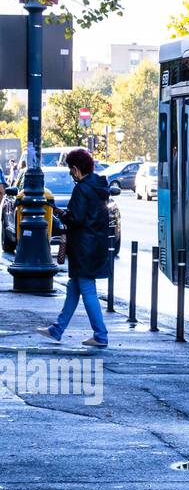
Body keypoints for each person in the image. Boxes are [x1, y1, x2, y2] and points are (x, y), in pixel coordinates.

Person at [36, 147, 112, 348]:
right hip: (95, 245)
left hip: (83, 248)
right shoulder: (98, 186)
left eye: (71, 169)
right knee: (73, 288)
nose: (70, 174)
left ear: (76, 169)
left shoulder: (81, 189)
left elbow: (76, 218)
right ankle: (57, 329)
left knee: (87, 289)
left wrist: (61, 214)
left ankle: (101, 335)